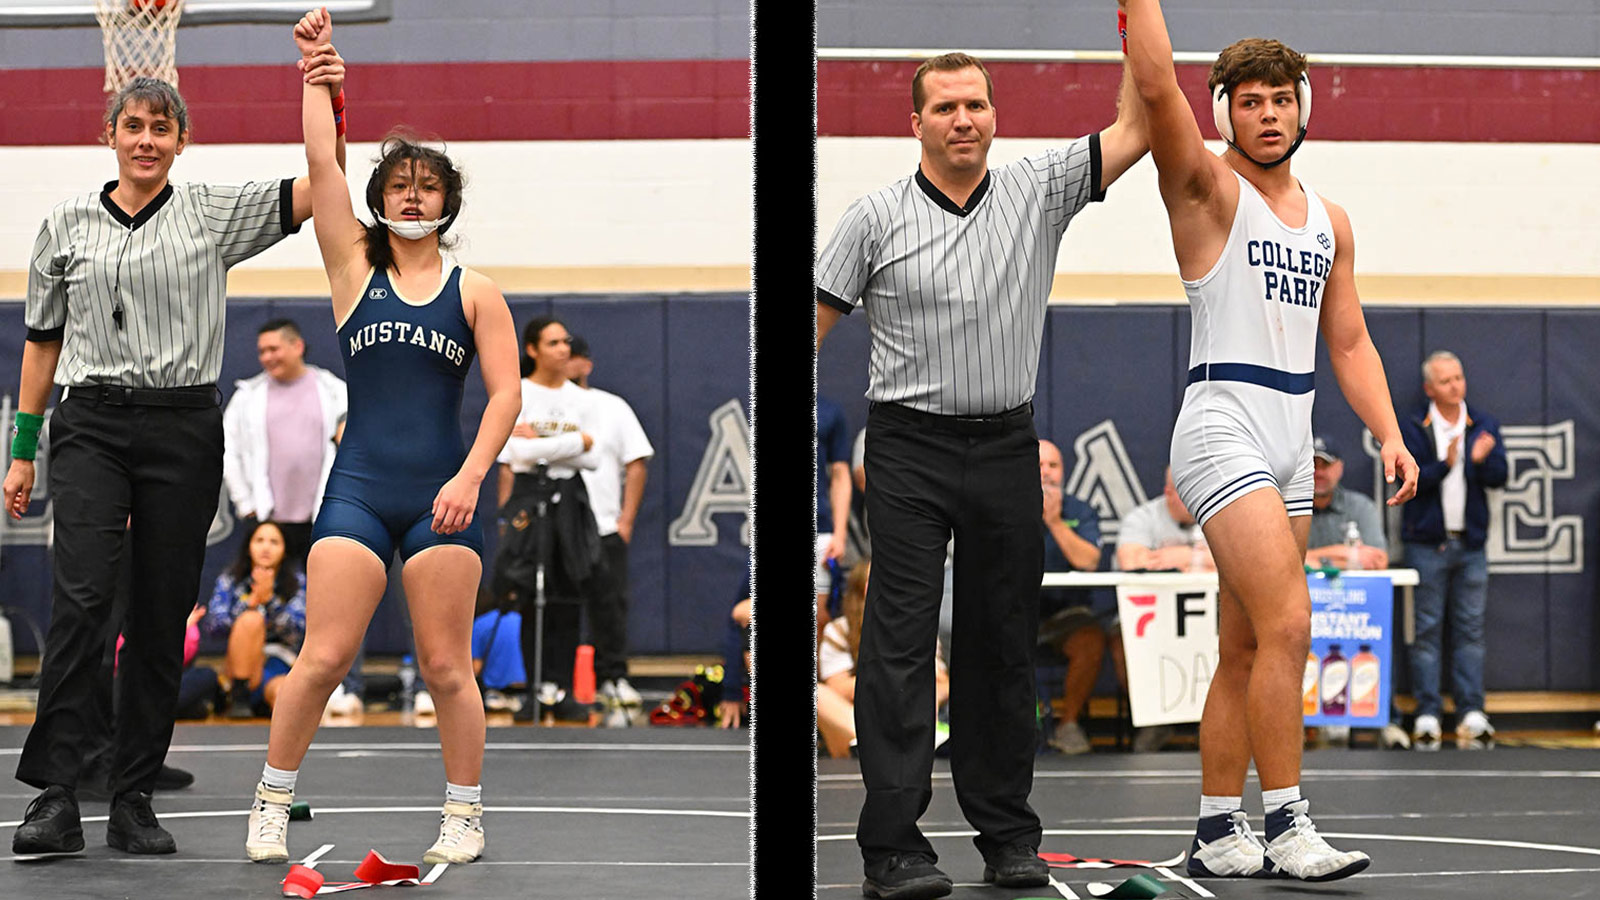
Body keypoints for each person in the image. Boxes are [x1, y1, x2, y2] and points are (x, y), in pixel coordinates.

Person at [815, 34, 1149, 895]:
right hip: (908, 447)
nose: (963, 119)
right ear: (915, 121)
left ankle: (1008, 838)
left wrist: (1132, 20)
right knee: (897, 645)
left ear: (994, 114)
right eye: (945, 107)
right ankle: (893, 848)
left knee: (1002, 647)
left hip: (1005, 444)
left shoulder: (1039, 189)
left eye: (976, 104)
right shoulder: (874, 215)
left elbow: (1140, 123)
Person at [5, 49, 347, 855]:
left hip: (182, 425)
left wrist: (324, 89)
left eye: (162, 127)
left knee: (161, 614)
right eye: (134, 126)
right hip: (89, 422)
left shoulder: (211, 212)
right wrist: (23, 449)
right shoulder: (63, 224)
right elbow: (40, 345)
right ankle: (57, 792)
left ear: (182, 140)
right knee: (83, 602)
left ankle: (131, 796)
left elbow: (325, 185)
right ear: (110, 136)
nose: (147, 139)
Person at [1123, 1, 1418, 881]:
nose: (1267, 113)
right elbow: (1154, 86)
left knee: (1248, 645)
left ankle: (1219, 830)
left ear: (1304, 107)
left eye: (1280, 98)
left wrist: (1391, 434)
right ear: (1224, 113)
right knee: (1293, 619)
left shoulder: (1331, 219)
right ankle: (1288, 826)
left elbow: (1352, 340)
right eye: (1248, 100)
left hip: (1294, 433)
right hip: (1223, 426)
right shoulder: (1209, 190)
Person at [243, 7, 521, 867]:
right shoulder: (350, 271)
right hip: (359, 489)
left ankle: (464, 815)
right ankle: (270, 800)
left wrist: (472, 476)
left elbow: (507, 395)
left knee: (447, 669)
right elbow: (321, 162)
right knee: (321, 657)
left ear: (446, 202)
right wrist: (318, 73)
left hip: (445, 489)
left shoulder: (477, 291)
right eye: (398, 182)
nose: (410, 192)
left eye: (426, 184)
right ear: (381, 198)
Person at [493, 316, 601, 724]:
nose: (563, 349)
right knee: (529, 593)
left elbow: (592, 456)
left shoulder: (583, 400)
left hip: (570, 498)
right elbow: (515, 456)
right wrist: (573, 442)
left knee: (569, 591)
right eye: (553, 342)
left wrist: (541, 444)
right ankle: (535, 688)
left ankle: (564, 688)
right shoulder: (518, 392)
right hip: (528, 495)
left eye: (566, 342)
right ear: (532, 349)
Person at [1398, 351, 1506, 746]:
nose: (1455, 386)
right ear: (1429, 388)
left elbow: (1501, 476)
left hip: (1471, 544)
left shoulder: (1482, 423)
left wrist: (1478, 462)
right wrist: (1446, 463)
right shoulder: (1413, 426)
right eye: (1445, 381)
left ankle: (1471, 711)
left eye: (1459, 377)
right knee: (1426, 631)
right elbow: (1408, 481)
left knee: (1470, 632)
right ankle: (1427, 712)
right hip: (1428, 545)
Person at [565, 334, 655, 712]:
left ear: (586, 363)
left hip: (604, 525)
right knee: (559, 605)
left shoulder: (611, 407)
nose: (565, 365)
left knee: (610, 605)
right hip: (557, 528)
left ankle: (613, 677)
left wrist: (626, 519)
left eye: (571, 357)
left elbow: (636, 460)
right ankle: (554, 684)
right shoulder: (534, 401)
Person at [223, 318, 348, 566]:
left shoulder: (335, 391)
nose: (267, 357)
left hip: (322, 518)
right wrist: (246, 505)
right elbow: (229, 453)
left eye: (273, 349)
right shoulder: (246, 398)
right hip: (267, 522)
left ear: (297, 346)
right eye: (262, 351)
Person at [818, 562, 950, 759]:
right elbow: (838, 687)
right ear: (862, 589)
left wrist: (902, 688)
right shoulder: (840, 630)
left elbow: (942, 683)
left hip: (910, 711)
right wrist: (896, 682)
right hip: (861, 716)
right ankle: (871, 740)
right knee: (818, 694)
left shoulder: (919, 628)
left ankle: (918, 737)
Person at [1034, 439, 1109, 756]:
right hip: (1015, 610)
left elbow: (1088, 561)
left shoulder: (1081, 510)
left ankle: (1068, 724)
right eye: (1039, 465)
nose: (1047, 473)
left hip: (1066, 613)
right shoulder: (1004, 507)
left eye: (1054, 465)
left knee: (1090, 639)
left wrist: (1053, 521)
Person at [206, 520, 308, 718]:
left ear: (285, 549)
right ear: (248, 547)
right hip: (239, 662)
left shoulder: (297, 581)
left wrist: (270, 600)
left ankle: (263, 703)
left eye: (274, 542)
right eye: (259, 540)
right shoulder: (231, 580)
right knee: (251, 620)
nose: (266, 548)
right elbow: (214, 627)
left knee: (282, 696)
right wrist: (249, 604)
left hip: (279, 662)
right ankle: (239, 698)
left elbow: (298, 631)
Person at [1303, 435, 1388, 571]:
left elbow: (1379, 561)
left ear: (1340, 467)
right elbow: (1281, 561)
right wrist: (1347, 553)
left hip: (1355, 591)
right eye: (1312, 464)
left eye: (1326, 464)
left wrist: (1313, 561)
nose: (1318, 473)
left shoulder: (1361, 506)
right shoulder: (1287, 508)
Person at [1116, 468, 1213, 574]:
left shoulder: (1219, 514)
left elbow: (1233, 562)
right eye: (1190, 494)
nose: (1199, 501)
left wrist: (1189, 557)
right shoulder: (1143, 517)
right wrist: (1207, 563)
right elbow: (1131, 563)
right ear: (1169, 493)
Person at [816, 394, 853, 642]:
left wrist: (839, 534)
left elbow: (840, 474)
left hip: (821, 530)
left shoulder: (829, 412)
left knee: (820, 619)